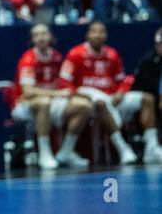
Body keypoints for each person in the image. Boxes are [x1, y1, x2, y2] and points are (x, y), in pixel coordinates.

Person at [59, 22, 146, 165]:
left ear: (106, 35)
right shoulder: (75, 54)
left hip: (112, 97)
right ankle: (123, 148)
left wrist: (121, 92)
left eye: (101, 32)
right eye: (94, 32)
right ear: (87, 35)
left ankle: (152, 148)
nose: (98, 35)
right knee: (100, 104)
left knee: (146, 99)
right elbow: (64, 81)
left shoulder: (112, 54)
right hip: (88, 100)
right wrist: (79, 95)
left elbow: (122, 80)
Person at [10, 24, 91, 170]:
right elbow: (28, 91)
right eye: (36, 35)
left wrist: (73, 92)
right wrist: (57, 94)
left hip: (52, 102)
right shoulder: (28, 59)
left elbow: (62, 82)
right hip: (25, 105)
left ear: (51, 37)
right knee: (44, 102)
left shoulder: (56, 56)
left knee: (83, 106)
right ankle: (45, 153)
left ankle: (66, 151)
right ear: (32, 40)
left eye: (44, 33)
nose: (40, 38)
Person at [128, 26, 162, 164]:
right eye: (159, 44)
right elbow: (148, 87)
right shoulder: (148, 61)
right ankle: (151, 148)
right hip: (148, 100)